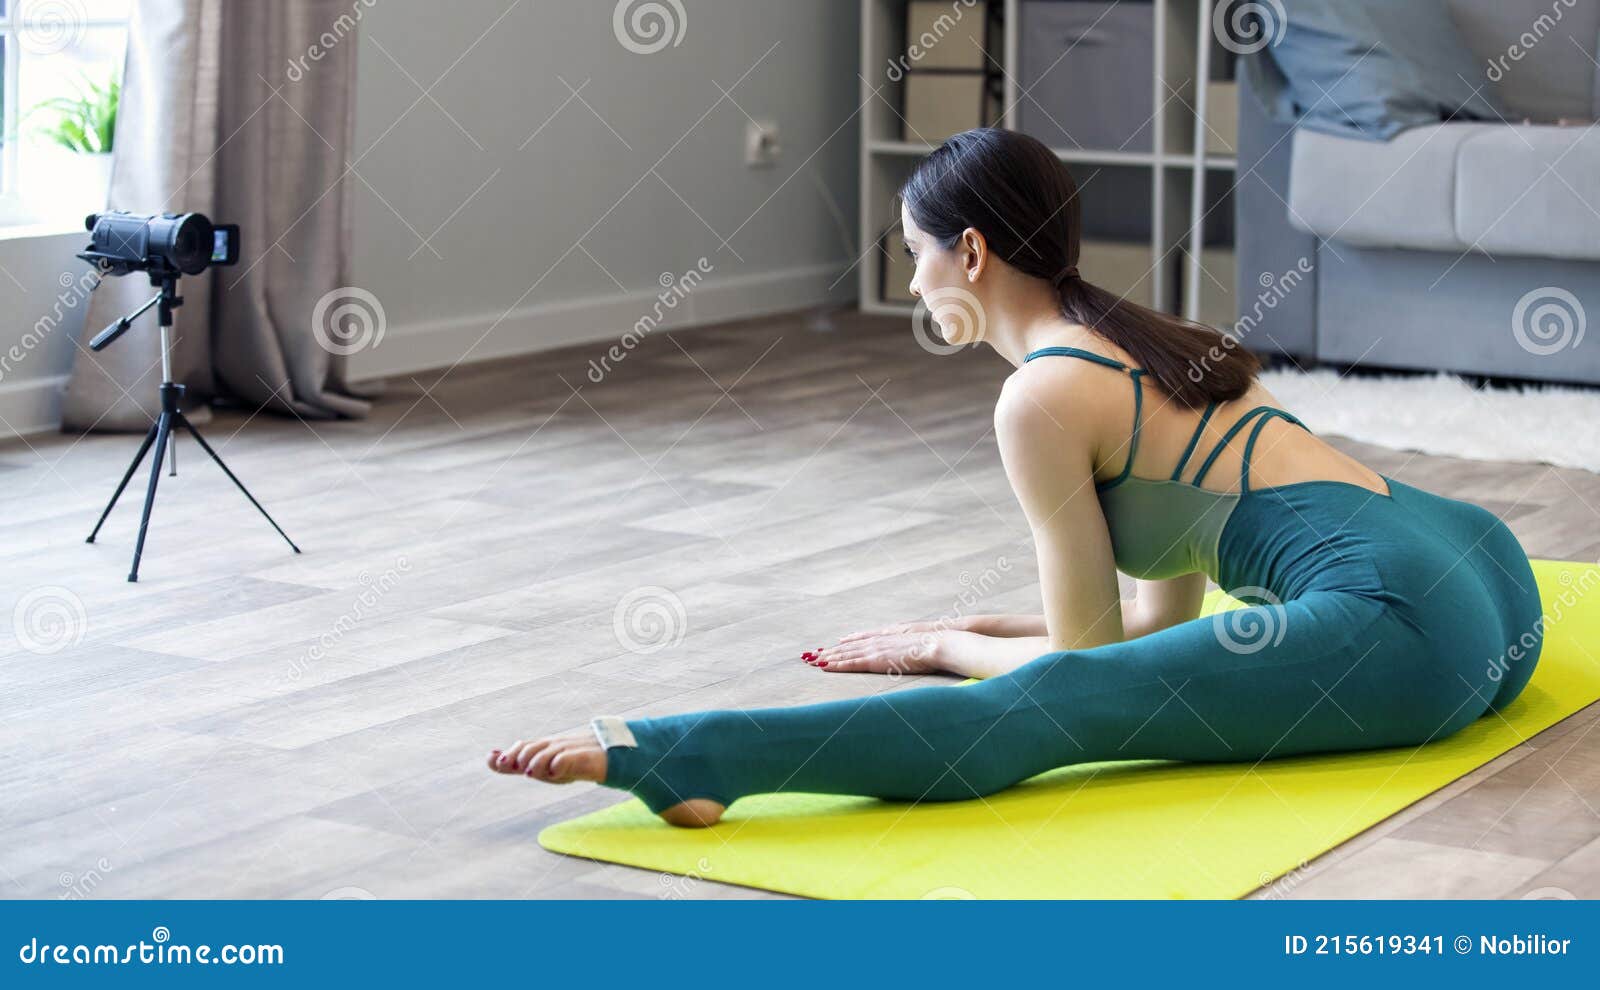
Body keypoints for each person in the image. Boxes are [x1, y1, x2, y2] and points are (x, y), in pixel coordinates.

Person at [487, 128, 1545, 828]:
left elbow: (1077, 677)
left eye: (916, 252)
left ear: (974, 253)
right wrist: (1004, 625)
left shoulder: (1041, 395)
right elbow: (1155, 628)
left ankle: (688, 752)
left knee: (1031, 724)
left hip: (1413, 638)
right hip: (1480, 571)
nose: (911, 278)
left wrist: (950, 648)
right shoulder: (1146, 332)